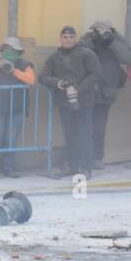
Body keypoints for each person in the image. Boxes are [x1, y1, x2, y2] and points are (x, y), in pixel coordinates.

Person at [40, 25, 101, 178]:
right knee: (70, 134)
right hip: (64, 102)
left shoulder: (87, 54)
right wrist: (58, 83)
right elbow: (43, 77)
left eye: (71, 37)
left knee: (85, 134)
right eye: (65, 37)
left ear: (75, 38)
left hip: (84, 101)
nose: (68, 40)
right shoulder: (54, 57)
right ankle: (73, 166)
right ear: (60, 39)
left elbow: (95, 74)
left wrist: (78, 89)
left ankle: (86, 167)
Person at [79, 21, 131, 169]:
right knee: (85, 126)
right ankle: (84, 157)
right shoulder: (87, 39)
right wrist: (94, 39)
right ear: (94, 30)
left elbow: (127, 58)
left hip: (106, 91)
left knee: (99, 127)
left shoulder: (116, 40)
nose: (103, 33)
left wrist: (111, 41)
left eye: (106, 30)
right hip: (88, 90)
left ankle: (97, 157)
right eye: (99, 30)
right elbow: (80, 53)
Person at [0, 54, 35, 179]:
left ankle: (9, 168)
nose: (9, 52)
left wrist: (13, 70)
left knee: (11, 139)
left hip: (16, 108)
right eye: (6, 49)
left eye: (12, 49)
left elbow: (31, 81)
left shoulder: (24, 63)